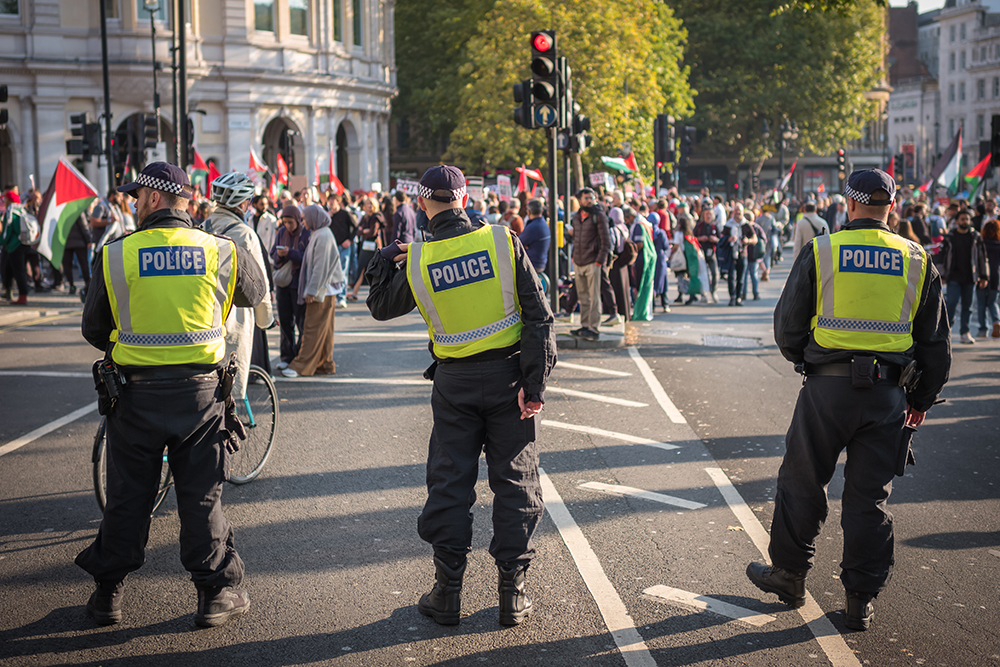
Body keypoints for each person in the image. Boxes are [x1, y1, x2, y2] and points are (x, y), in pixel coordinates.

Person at [747, 169, 951, 632]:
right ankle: (860, 599)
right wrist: (920, 399)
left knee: (802, 480)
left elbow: (788, 327)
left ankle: (789, 575)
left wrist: (811, 363)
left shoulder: (823, 250)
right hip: (888, 395)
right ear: (891, 207)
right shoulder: (916, 258)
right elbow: (936, 345)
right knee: (870, 498)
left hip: (827, 388)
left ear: (849, 204)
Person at [76, 162, 267, 628]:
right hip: (201, 397)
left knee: (128, 497)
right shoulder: (218, 250)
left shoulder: (118, 253)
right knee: (201, 497)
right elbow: (256, 292)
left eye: (137, 195)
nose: (132, 201)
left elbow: (94, 328)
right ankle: (215, 594)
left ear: (156, 199)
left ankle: (108, 596)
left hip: (134, 398)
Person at [365, 165, 556, 627]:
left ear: (422, 203)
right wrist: (534, 386)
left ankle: (447, 592)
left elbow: (379, 306)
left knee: (450, 483)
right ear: (463, 198)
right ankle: (513, 592)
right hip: (510, 379)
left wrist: (387, 254)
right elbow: (539, 316)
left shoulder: (418, 259)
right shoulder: (501, 240)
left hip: (454, 384)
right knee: (515, 482)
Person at [202, 171, 275, 392]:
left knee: (206, 377)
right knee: (231, 381)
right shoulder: (245, 234)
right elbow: (259, 284)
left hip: (204, 310)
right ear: (242, 203)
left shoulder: (201, 229)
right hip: (235, 312)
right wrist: (266, 319)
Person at [282, 204, 346, 378]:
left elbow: (320, 267)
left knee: (312, 328)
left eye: (305, 218)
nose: (303, 221)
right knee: (324, 330)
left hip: (322, 290)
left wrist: (312, 291)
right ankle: (325, 363)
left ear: (313, 218)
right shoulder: (320, 233)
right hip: (326, 289)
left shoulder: (322, 235)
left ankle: (301, 366)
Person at [939, 209, 990, 344]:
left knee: (967, 306)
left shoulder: (975, 237)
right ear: (957, 221)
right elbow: (942, 257)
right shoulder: (950, 237)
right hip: (953, 276)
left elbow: (982, 257)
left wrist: (984, 276)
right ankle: (945, 331)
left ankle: (964, 332)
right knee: (951, 303)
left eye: (967, 219)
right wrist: (942, 274)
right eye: (962, 219)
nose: (965, 222)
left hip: (970, 277)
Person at [272, 205, 310, 369]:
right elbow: (273, 254)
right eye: (285, 222)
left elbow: (307, 257)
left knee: (301, 321)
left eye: (290, 222)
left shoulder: (306, 233)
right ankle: (286, 355)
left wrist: (289, 253)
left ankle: (298, 354)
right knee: (285, 321)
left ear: (297, 220)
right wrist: (280, 255)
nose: (288, 225)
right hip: (283, 284)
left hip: (298, 283)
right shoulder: (281, 232)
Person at [570, 188, 610, 341]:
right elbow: (575, 239)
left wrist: (599, 261)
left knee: (594, 297)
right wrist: (574, 256)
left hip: (593, 262)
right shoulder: (576, 217)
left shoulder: (599, 216)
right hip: (579, 262)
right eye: (586, 198)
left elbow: (606, 242)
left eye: (591, 198)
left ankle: (594, 328)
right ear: (579, 200)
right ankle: (585, 325)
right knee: (583, 296)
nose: (589, 200)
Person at [347, 196, 384, 302]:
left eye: (371, 204)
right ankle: (354, 293)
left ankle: (378, 294)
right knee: (361, 269)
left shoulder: (376, 217)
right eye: (367, 203)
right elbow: (358, 230)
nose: (369, 206)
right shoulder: (365, 217)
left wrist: (363, 231)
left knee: (376, 270)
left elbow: (373, 232)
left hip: (374, 247)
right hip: (365, 247)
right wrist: (364, 231)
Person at [0, 190, 30, 304]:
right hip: (23, 244)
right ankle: (9, 292)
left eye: (5, 199)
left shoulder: (10, 210)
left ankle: (22, 297)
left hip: (14, 246)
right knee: (9, 268)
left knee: (18, 271)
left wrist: (1, 242)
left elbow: (7, 231)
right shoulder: (21, 209)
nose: (4, 201)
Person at [329, 193, 357, 308]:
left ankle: (342, 297)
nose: (331, 202)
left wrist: (349, 240)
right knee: (332, 272)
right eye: (329, 200)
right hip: (332, 247)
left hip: (344, 246)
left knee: (343, 271)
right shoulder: (328, 215)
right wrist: (328, 217)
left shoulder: (345, 214)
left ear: (338, 202)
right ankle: (333, 295)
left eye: (333, 200)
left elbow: (355, 227)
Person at [977, 219, 1000, 338]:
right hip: (996, 277)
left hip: (982, 275)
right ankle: (996, 321)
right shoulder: (998, 245)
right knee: (992, 302)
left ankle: (982, 329)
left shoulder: (981, 244)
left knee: (981, 303)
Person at [518, 198, 550, 275]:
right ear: (542, 211)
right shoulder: (543, 223)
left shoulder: (533, 226)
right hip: (541, 262)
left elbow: (518, 243)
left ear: (528, 212)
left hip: (533, 264)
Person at [251, 195, 278, 267]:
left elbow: (273, 240)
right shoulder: (250, 219)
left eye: (266, 204)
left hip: (267, 258)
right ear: (255, 205)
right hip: (253, 257)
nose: (264, 207)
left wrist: (271, 258)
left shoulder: (271, 220)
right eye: (262, 204)